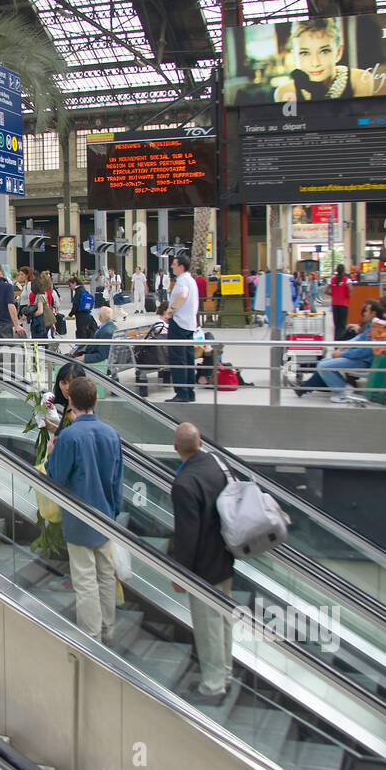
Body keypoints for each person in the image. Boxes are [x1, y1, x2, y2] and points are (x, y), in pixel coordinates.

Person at [45, 377, 123, 643]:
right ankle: (109, 630)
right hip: (105, 515)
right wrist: (114, 511)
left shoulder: (69, 436)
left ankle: (92, 635)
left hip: (79, 519)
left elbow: (57, 476)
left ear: (70, 401)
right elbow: (116, 479)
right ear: (96, 399)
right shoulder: (111, 435)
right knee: (105, 575)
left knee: (85, 578)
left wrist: (50, 452)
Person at [168, 422, 235, 706]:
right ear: (201, 444)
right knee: (223, 620)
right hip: (224, 556)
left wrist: (180, 574)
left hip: (202, 569)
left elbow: (187, 536)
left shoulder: (184, 484)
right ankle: (226, 674)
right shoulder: (215, 466)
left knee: (208, 627)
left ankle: (213, 686)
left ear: (175, 448)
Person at [294, 299, 384, 402]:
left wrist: (343, 354)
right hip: (359, 358)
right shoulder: (372, 326)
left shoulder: (375, 329)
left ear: (373, 313)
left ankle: (342, 392)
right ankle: (308, 386)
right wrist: (345, 347)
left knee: (323, 366)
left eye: (366, 311)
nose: (364, 313)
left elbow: (363, 351)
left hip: (363, 361)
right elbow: (359, 340)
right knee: (323, 363)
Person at [273, 18, 373, 102]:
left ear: (338, 52)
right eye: (305, 53)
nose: (315, 63)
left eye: (324, 51)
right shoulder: (285, 93)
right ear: (295, 56)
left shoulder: (361, 80)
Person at [167, 252, 199, 402]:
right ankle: (189, 391)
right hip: (190, 324)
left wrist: (171, 309)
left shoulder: (182, 281)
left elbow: (183, 295)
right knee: (188, 357)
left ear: (181, 266)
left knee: (178, 358)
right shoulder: (191, 280)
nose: (172, 267)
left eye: (174, 264)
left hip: (179, 323)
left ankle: (181, 393)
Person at [75, 304, 116, 370]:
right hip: (89, 352)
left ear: (100, 317)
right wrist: (77, 346)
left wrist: (84, 357)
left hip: (92, 356)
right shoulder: (110, 327)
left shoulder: (106, 332)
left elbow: (102, 355)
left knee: (68, 360)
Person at [329, 264, 351, 337]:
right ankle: (341, 341)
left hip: (334, 304)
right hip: (344, 304)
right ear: (343, 271)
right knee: (342, 325)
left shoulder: (332, 280)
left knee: (336, 325)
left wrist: (333, 294)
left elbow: (325, 291)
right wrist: (347, 295)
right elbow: (350, 290)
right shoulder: (347, 280)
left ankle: (336, 342)